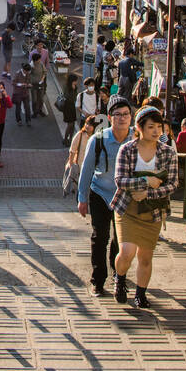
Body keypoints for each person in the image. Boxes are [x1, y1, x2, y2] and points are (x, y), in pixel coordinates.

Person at [110, 106, 180, 309]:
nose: (157, 131)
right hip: (128, 209)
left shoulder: (167, 153)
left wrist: (148, 193)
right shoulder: (127, 149)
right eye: (151, 127)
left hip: (153, 210)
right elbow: (119, 180)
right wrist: (147, 181)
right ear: (139, 127)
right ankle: (120, 279)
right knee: (126, 252)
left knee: (146, 257)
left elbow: (173, 184)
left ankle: (141, 293)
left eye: (160, 127)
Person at [77, 97, 134, 298]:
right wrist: (82, 198)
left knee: (121, 241)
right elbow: (87, 170)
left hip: (126, 197)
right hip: (100, 193)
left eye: (125, 114)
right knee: (100, 237)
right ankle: (98, 281)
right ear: (109, 117)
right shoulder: (98, 139)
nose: (122, 118)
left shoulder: (136, 139)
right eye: (117, 115)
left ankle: (119, 277)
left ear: (131, 116)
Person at [64, 114, 100, 198]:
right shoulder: (80, 135)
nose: (87, 126)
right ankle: (80, 201)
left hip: (93, 168)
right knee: (81, 188)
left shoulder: (98, 137)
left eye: (90, 124)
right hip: (81, 167)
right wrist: (71, 164)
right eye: (86, 123)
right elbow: (72, 151)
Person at [61, 72, 80, 146]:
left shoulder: (75, 87)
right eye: (75, 80)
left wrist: (74, 89)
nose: (76, 82)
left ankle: (71, 139)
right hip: (67, 107)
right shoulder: (66, 86)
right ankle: (65, 139)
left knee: (73, 124)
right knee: (70, 124)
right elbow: (67, 96)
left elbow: (75, 97)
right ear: (72, 80)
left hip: (72, 106)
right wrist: (72, 89)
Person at [29, 50, 49, 120]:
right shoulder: (31, 65)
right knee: (34, 99)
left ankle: (40, 110)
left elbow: (45, 71)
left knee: (41, 98)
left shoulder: (41, 64)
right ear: (35, 60)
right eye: (39, 59)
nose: (40, 60)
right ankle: (34, 112)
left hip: (41, 84)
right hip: (33, 85)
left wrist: (42, 79)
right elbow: (28, 74)